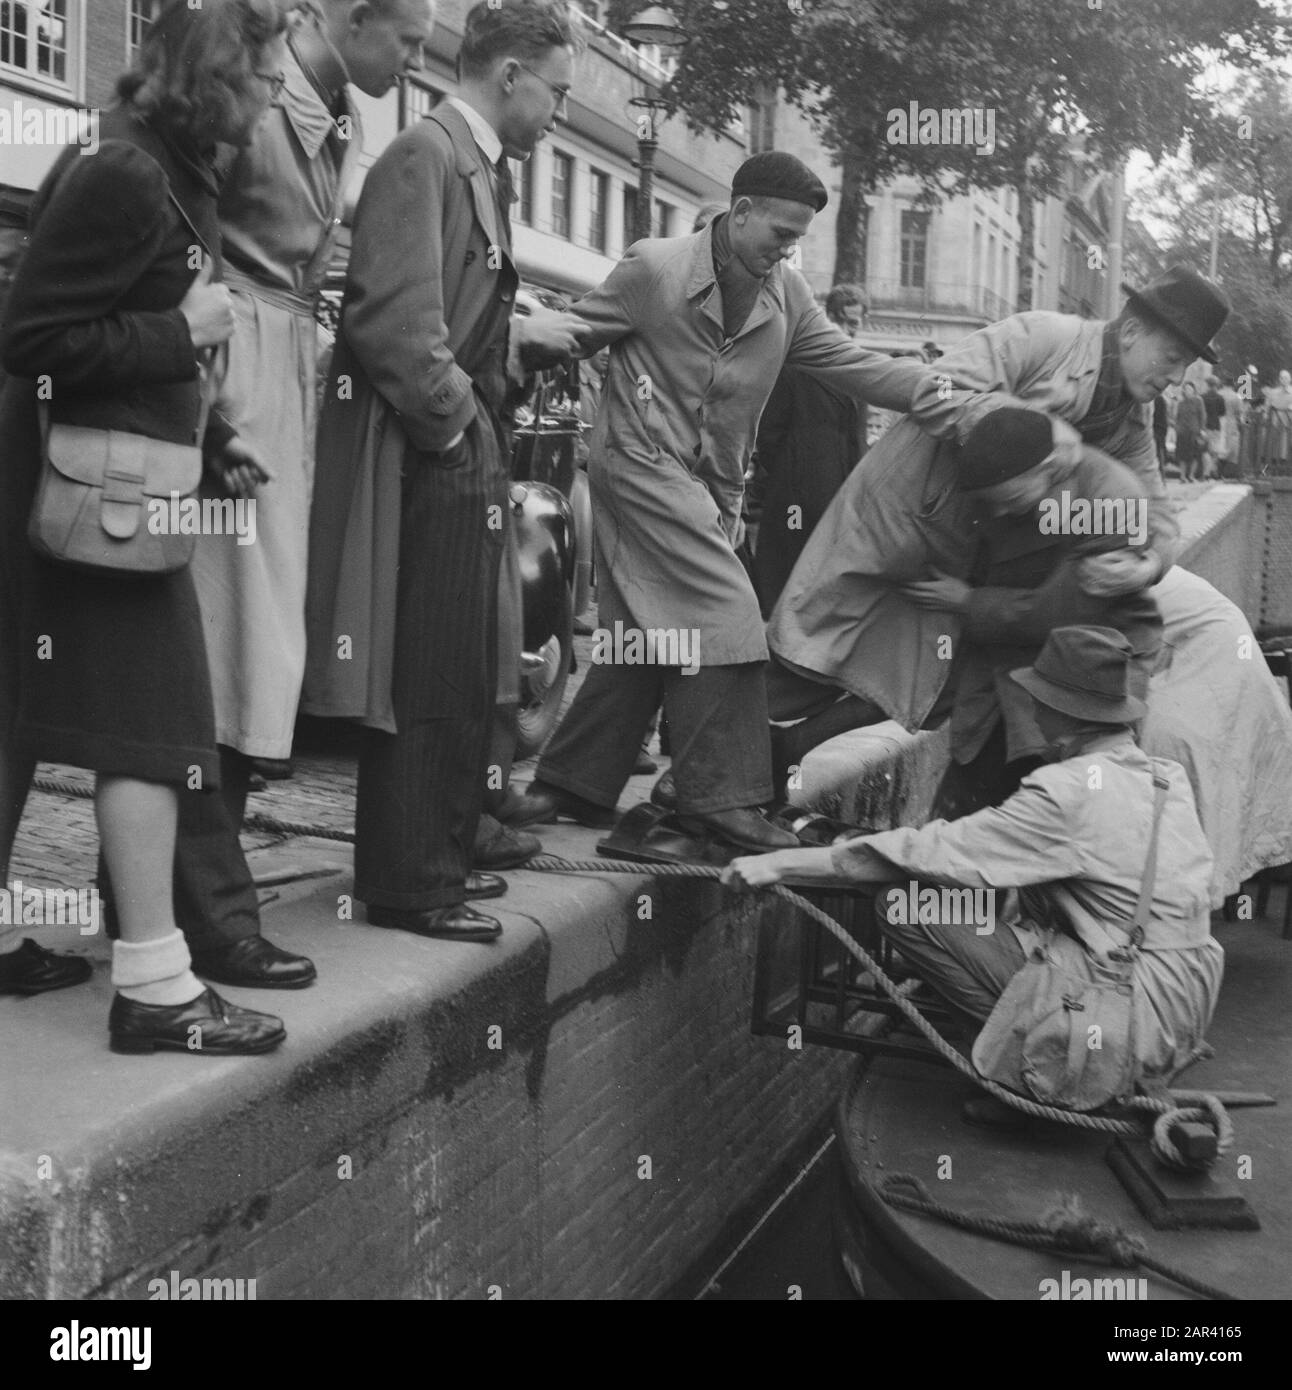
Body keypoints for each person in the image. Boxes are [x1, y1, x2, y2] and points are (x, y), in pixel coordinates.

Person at [0, 0, 289, 1052]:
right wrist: (180, 332)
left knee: (24, 708)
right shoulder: (127, 170)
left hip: (109, 474)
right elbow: (31, 334)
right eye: (262, 75)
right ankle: (157, 991)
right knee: (157, 725)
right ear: (216, 72)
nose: (272, 96)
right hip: (94, 490)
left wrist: (213, 444)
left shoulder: (156, 162)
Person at [507, 152, 932, 853]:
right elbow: (575, 333)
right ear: (739, 213)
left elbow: (855, 366)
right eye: (780, 232)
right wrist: (508, 350)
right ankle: (719, 800)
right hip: (640, 466)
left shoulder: (786, 296)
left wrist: (944, 393)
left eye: (798, 239)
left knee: (650, 635)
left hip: (708, 490)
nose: (787, 248)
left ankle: (571, 784)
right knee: (728, 615)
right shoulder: (655, 268)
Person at [157, 0, 434, 992]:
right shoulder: (256, 98)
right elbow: (179, 234)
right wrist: (207, 408)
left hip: (276, 370)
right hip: (232, 368)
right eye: (404, 42)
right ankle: (208, 914)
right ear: (353, 20)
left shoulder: (334, 113)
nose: (408, 65)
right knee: (228, 651)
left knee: (246, 650)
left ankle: (158, 895)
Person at [304, 0, 588, 941]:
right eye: (556, 91)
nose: (557, 113)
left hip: (457, 442)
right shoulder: (427, 157)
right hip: (435, 450)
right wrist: (461, 425)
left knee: (465, 662)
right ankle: (412, 880)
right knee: (430, 665)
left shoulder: (463, 162)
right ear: (510, 76)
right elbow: (392, 318)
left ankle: (437, 855)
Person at [723, 626, 1224, 1111]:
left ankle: (1027, 1075)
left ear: (1057, 711)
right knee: (1008, 900)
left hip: (1129, 1001)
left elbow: (939, 853)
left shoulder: (1069, 793)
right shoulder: (1162, 776)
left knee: (906, 907)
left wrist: (781, 862)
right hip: (1183, 1000)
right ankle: (1071, 1049)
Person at [769, 265, 1227, 787]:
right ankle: (707, 772)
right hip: (904, 526)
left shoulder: (1131, 418)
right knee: (806, 655)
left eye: (1184, 366)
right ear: (1130, 332)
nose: (1174, 377)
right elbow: (933, 390)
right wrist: (1031, 434)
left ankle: (783, 750)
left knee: (928, 688)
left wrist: (1149, 562)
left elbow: (1156, 512)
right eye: (1172, 358)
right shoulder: (1041, 338)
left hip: (970, 561)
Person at [751, 282, 871, 615]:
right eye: (843, 322)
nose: (848, 331)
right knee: (787, 576)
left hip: (837, 490)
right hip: (795, 489)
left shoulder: (857, 368)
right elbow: (770, 431)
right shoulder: (796, 363)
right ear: (827, 317)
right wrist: (791, 469)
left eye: (855, 325)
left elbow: (856, 438)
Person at [1174, 380, 1205, 482]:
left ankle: (1191, 475)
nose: (1188, 391)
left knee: (1194, 455)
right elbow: (1177, 417)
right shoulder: (1180, 403)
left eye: (1190, 389)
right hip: (1182, 432)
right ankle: (1182, 476)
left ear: (1193, 390)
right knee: (1182, 455)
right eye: (1186, 389)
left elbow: (1202, 416)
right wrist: (1177, 428)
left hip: (1194, 431)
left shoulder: (1198, 401)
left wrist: (1202, 429)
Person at [1201, 375, 1225, 478]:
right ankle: (1213, 471)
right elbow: (1222, 412)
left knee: (1205, 450)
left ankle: (1206, 472)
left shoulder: (1202, 397)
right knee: (1214, 451)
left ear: (1207, 385)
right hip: (1216, 426)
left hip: (1205, 426)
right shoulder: (1220, 398)